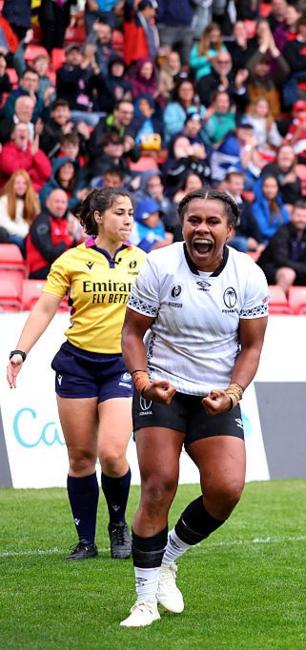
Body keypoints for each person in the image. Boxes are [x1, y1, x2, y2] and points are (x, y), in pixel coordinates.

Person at [119, 189, 269, 628]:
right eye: (194, 220)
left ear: (230, 229)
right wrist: (144, 381)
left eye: (212, 222)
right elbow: (132, 333)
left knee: (226, 490)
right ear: (182, 224)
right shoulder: (159, 265)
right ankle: (144, 601)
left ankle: (169, 558)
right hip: (162, 387)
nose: (202, 229)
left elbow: (252, 345)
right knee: (158, 486)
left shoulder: (249, 274)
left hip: (216, 395)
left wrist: (234, 392)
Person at [6, 188, 146, 561]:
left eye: (131, 212)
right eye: (120, 212)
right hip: (77, 365)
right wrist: (20, 351)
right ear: (99, 217)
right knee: (81, 458)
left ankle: (118, 528)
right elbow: (43, 309)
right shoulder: (71, 260)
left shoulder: (145, 262)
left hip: (121, 364)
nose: (128, 219)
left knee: (113, 453)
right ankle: (85, 540)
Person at [257, 201, 306, 292]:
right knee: (288, 274)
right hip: (270, 269)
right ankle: (277, 304)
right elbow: (280, 260)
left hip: (298, 270)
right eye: (298, 215)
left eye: (305, 216)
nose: (301, 219)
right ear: (291, 216)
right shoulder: (282, 232)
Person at [25, 189, 83, 279]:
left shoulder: (63, 222)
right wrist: (69, 239)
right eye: (57, 202)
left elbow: (71, 249)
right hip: (41, 270)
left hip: (59, 266)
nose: (60, 206)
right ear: (48, 203)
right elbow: (49, 254)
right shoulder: (42, 222)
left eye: (63, 202)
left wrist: (75, 240)